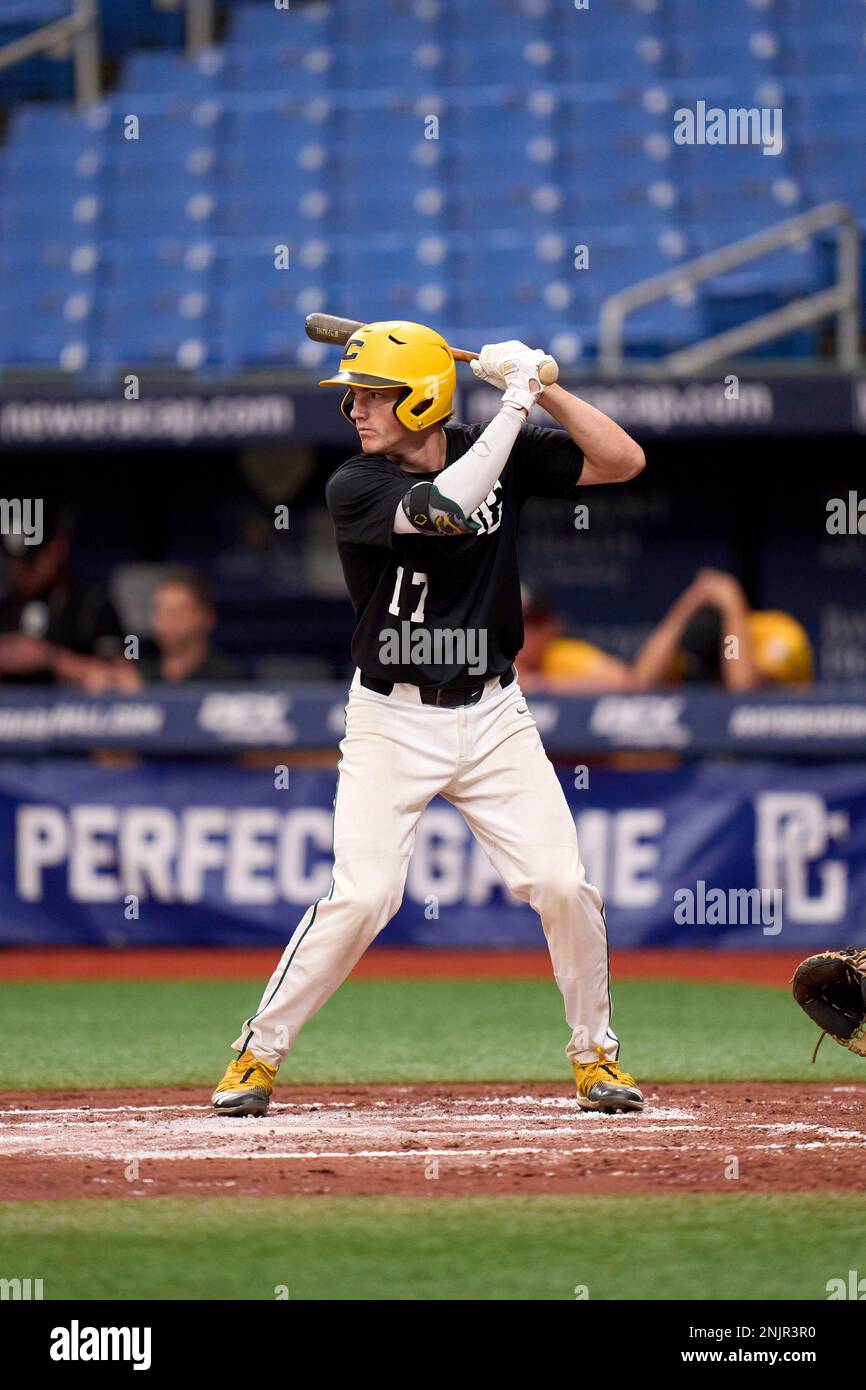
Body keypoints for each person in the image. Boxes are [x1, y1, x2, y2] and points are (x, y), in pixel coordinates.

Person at [212, 322, 647, 1118]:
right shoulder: (357, 484)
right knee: (365, 895)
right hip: (390, 718)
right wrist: (517, 406)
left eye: (374, 394)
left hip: (494, 715)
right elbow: (448, 505)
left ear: (424, 397)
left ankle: (596, 1058)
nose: (355, 410)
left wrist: (542, 387)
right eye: (354, 395)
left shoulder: (501, 441)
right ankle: (256, 1054)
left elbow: (624, 461)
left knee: (562, 884)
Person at [0, 510, 125, 691]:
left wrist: (50, 658)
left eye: (30, 560)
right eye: (12, 560)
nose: (19, 569)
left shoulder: (92, 603)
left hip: (77, 715)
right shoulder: (5, 604)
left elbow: (120, 676)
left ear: (58, 547)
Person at [632, 568, 814, 690]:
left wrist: (732, 604)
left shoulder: (778, 631)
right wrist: (685, 607)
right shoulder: (690, 643)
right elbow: (641, 682)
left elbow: (740, 687)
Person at [133, 568, 241, 684]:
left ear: (207, 617)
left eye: (176, 613)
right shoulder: (142, 674)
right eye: (158, 611)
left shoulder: (227, 679)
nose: (165, 621)